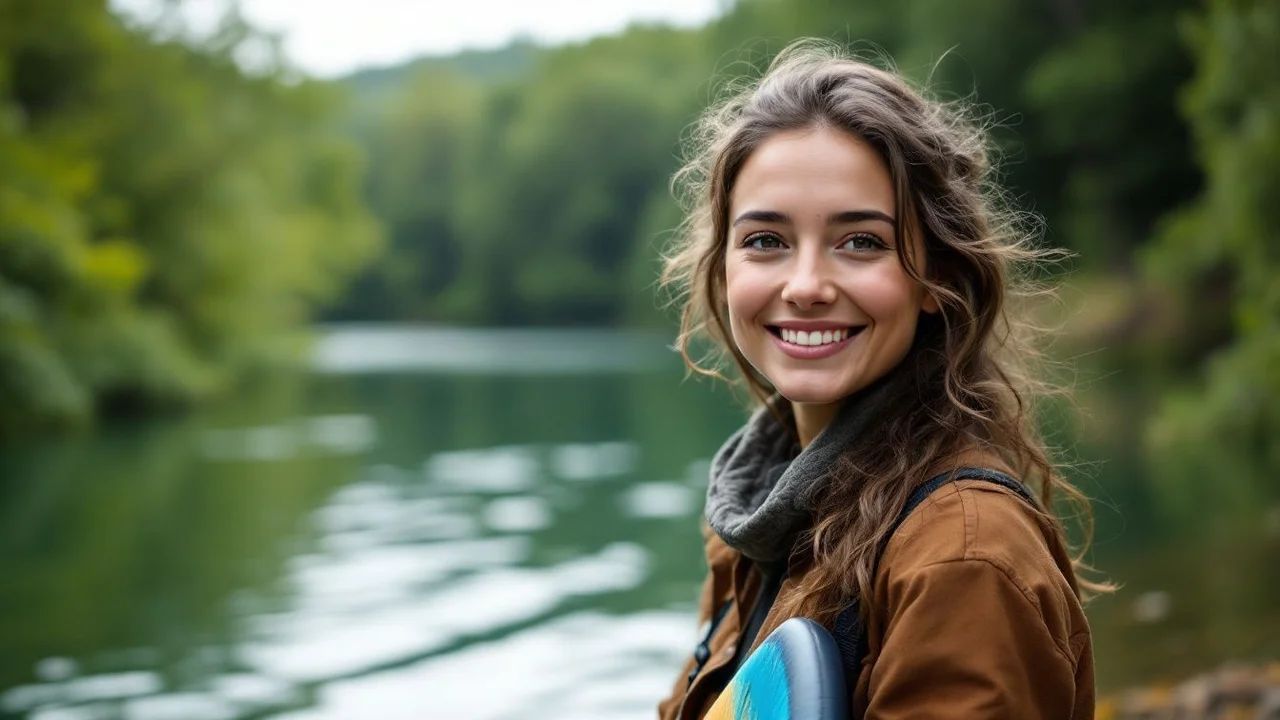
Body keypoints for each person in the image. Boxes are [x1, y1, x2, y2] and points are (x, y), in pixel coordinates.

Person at [655, 40, 1109, 720]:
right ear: (725, 270)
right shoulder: (755, 521)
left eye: (861, 241)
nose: (806, 286)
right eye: (766, 241)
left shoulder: (964, 556)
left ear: (937, 278)